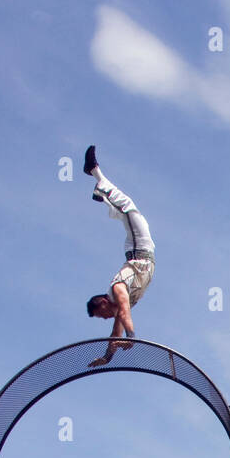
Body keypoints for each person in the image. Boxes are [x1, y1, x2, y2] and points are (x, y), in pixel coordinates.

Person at [82, 146, 155, 368]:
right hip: (145, 258)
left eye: (101, 314)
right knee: (128, 211)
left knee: (128, 209)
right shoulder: (116, 307)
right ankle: (98, 182)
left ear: (103, 302)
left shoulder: (117, 289)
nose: (104, 318)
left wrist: (131, 336)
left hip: (138, 250)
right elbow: (116, 333)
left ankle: (96, 175)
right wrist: (107, 358)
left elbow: (123, 310)